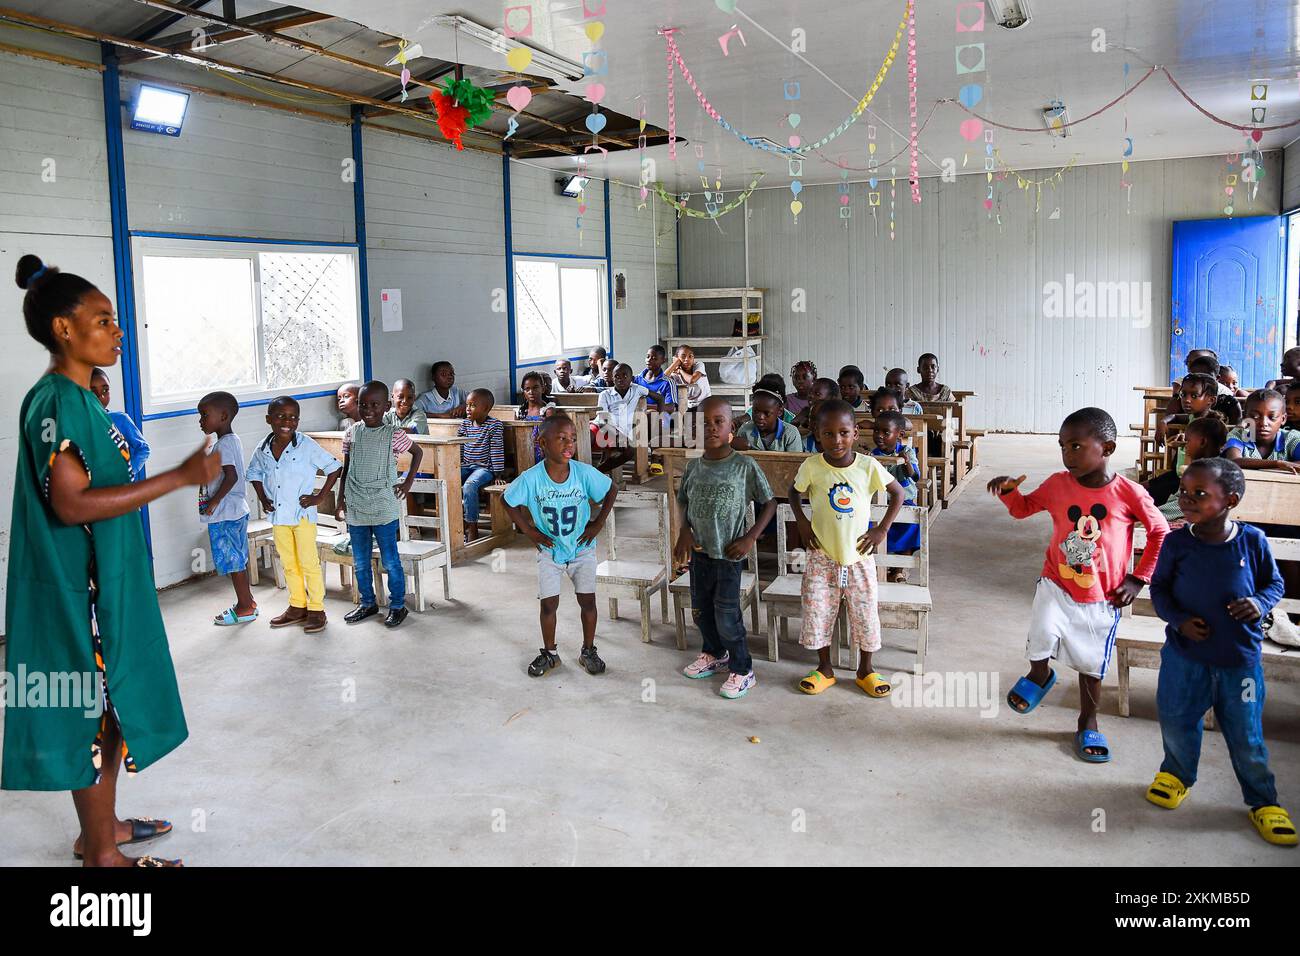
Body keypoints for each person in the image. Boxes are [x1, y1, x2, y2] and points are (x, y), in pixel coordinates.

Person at [5, 254, 221, 867]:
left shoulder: (84, 399)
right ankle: (102, 854)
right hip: (79, 591)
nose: (117, 331)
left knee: (111, 707)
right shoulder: (56, 402)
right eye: (102, 320)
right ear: (64, 330)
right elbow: (72, 505)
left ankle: (98, 830)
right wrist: (178, 477)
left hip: (103, 583)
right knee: (94, 716)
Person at [988, 407, 1169, 763]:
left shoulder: (1129, 493)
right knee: (1040, 633)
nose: (1067, 455)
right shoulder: (1057, 484)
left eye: (1076, 446)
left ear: (1108, 448)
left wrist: (1138, 577)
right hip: (1056, 581)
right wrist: (1009, 492)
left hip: (1104, 596)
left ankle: (1088, 719)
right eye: (1062, 446)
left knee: (1090, 663)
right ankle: (1039, 674)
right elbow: (1023, 509)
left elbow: (1160, 531)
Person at [1146, 457, 1296, 847]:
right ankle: (1176, 775)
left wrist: (1260, 603)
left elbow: (1274, 585)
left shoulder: (1252, 542)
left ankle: (1263, 801)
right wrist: (1179, 621)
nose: (1187, 499)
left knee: (1246, 734)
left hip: (1239, 661)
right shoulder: (1177, 542)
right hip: (1184, 655)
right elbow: (1159, 589)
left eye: (1200, 494)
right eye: (1184, 491)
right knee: (1177, 719)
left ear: (1230, 499)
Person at [789, 399, 904, 697]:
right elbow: (793, 492)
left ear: (855, 433)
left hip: (859, 557)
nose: (836, 440)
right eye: (828, 433)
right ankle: (824, 669)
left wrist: (882, 529)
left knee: (865, 614)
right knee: (817, 610)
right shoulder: (812, 466)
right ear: (817, 434)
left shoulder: (868, 466)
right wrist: (801, 521)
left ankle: (866, 670)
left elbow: (898, 494)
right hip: (821, 556)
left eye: (843, 432)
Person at [675, 397, 777, 699]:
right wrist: (683, 530)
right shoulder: (694, 466)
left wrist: (750, 537)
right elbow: (684, 501)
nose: (710, 428)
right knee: (700, 612)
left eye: (718, 422)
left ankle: (743, 669)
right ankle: (714, 653)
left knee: (727, 617)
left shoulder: (743, 465)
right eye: (703, 424)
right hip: (700, 554)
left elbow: (769, 502)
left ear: (731, 427)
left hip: (728, 556)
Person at [503, 415, 617, 677]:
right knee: (548, 605)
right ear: (542, 443)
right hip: (551, 551)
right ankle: (550, 654)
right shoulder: (532, 478)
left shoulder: (583, 473)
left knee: (587, 601)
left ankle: (588, 649)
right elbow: (507, 500)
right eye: (562, 438)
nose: (569, 444)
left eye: (573, 439)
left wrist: (598, 524)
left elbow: (611, 490)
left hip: (582, 549)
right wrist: (529, 531)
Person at [246, 396, 342, 634]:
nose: (287, 421)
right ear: (269, 419)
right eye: (280, 416)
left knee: (308, 562)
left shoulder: (306, 445)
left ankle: (317, 609)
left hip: (302, 517)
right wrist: (262, 497)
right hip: (279, 517)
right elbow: (254, 473)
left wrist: (319, 497)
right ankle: (297, 605)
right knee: (289, 563)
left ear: (298, 421)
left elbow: (334, 467)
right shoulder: (263, 448)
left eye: (292, 417)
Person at [336, 380, 423, 628]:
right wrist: (340, 499)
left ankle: (397, 606)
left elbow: (418, 453)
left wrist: (407, 483)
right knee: (360, 560)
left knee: (390, 560)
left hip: (384, 505)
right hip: (356, 503)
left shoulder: (394, 434)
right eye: (363, 405)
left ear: (386, 406)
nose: (368, 410)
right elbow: (347, 467)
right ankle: (367, 602)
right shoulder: (352, 433)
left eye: (375, 405)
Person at [198, 391, 255, 627]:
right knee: (236, 561)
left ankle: (243, 607)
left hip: (227, 512)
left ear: (223, 416)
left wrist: (214, 502)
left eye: (204, 415)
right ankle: (248, 603)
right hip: (232, 510)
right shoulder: (227, 442)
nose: (200, 420)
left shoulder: (226, 443)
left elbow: (231, 477)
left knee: (233, 562)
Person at [1146, 413, 1228, 524]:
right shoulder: (1210, 465)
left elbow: (1180, 505)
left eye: (1188, 441)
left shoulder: (1202, 472)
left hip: (1184, 510)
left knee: (1147, 519)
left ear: (1202, 442)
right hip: (1181, 507)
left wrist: (1155, 514)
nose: (1185, 445)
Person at [868, 410, 921, 582]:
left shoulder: (907, 451)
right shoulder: (873, 453)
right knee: (867, 523)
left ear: (900, 434)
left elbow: (914, 476)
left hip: (903, 500)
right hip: (878, 500)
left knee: (910, 523)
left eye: (885, 432)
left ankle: (898, 568)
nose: (879, 436)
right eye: (876, 431)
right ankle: (874, 565)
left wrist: (905, 462)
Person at [456, 387, 504, 541]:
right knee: (449, 481)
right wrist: (456, 466)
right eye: (467, 405)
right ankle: (457, 524)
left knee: (470, 485)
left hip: (485, 469)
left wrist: (497, 474)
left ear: (485, 409)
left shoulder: (494, 425)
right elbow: (460, 447)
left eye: (473, 406)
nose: (468, 409)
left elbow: (496, 450)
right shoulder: (465, 424)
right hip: (466, 465)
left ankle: (472, 526)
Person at [89, 367, 149, 480]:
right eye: (93, 392)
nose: (100, 396)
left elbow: (143, 448)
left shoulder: (120, 419)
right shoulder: (77, 423)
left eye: (105, 390)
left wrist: (129, 470)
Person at [1223, 389, 1300, 471]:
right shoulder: (1239, 435)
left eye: (1272, 417)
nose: (1263, 423)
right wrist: (1278, 463)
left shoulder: (1291, 438)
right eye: (1255, 416)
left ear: (1283, 419)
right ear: (1246, 417)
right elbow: (1234, 461)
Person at [594, 363, 647, 475]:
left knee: (630, 450)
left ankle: (596, 472)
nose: (621, 379)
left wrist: (662, 416)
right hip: (603, 428)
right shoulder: (605, 394)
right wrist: (617, 435)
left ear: (631, 379)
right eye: (617, 376)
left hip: (622, 431)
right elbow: (603, 420)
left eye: (624, 376)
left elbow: (658, 397)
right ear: (612, 379)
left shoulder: (636, 390)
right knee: (585, 436)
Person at [733, 386, 803, 452]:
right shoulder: (745, 431)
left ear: (779, 412)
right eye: (755, 411)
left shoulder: (790, 434)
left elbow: (795, 462)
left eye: (766, 413)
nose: (760, 417)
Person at [517, 370, 554, 465]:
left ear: (543, 388)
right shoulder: (521, 412)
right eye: (527, 389)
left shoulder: (547, 410)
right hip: (524, 450)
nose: (531, 392)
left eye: (535, 387)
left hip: (543, 452)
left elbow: (551, 434)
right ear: (523, 391)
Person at [665, 344, 711, 412]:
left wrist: (680, 371)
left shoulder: (698, 365)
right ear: (677, 358)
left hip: (705, 404)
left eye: (690, 356)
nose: (687, 359)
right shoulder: (675, 374)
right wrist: (675, 364)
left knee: (699, 419)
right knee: (684, 417)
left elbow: (692, 380)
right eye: (683, 356)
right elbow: (661, 379)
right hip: (690, 406)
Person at [634, 344, 678, 413]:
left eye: (654, 358)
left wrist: (644, 406)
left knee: (652, 413)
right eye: (648, 357)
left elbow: (670, 408)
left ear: (663, 361)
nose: (649, 360)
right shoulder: (636, 379)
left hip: (660, 419)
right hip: (639, 419)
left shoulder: (668, 383)